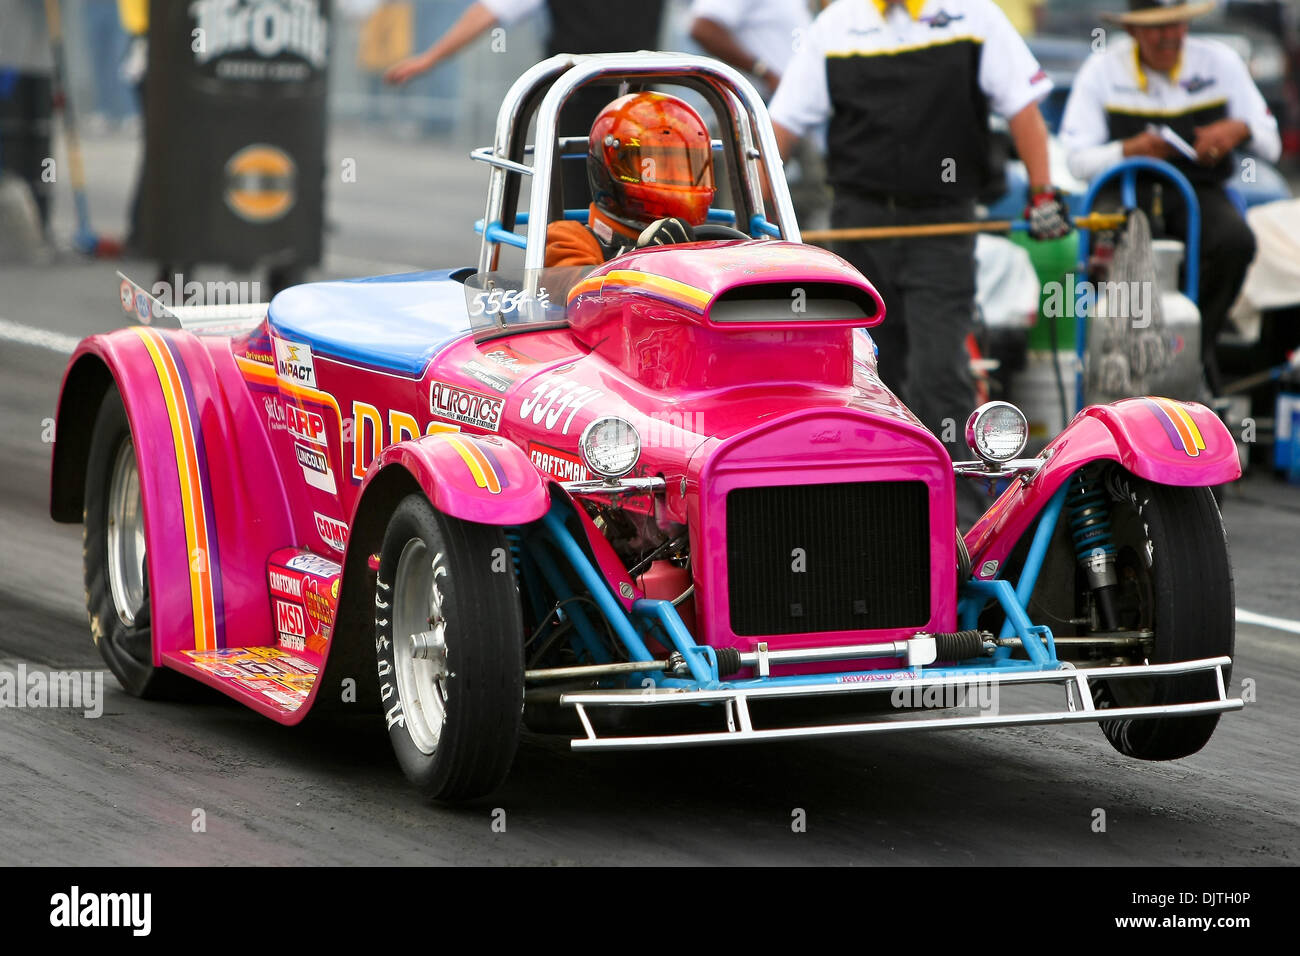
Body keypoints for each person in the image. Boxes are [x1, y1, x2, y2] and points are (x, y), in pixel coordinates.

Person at [767, 0, 1070, 484]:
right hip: (858, 226)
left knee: (939, 374)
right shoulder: (836, 24)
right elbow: (779, 129)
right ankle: (872, 490)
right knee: (864, 373)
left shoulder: (975, 16)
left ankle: (956, 506)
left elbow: (1023, 107)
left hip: (941, 225)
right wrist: (753, 209)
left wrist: (1043, 193)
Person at [1059, 0, 1281, 392]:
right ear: (1132, 31)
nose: (1169, 37)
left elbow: (1271, 143)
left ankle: (1191, 355)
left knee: (1235, 243)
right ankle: (1124, 367)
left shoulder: (1220, 63)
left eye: (1176, 25)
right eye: (1156, 28)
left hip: (1199, 189)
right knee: (1120, 252)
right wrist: (1131, 150)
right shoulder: (1101, 70)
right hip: (1127, 189)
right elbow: (1077, 160)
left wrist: (1238, 130)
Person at [384, 0, 666, 207]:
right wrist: (430, 59)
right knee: (583, 205)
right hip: (585, 100)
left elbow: (489, 11)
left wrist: (429, 59)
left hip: (627, 103)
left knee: (643, 204)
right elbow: (490, 10)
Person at [687, 0, 831, 225]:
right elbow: (703, 27)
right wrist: (763, 72)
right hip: (752, 116)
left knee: (809, 203)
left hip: (795, 119)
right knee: (746, 212)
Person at [545, 91, 716, 267]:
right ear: (604, 169)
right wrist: (647, 260)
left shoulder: (715, 247)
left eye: (682, 168)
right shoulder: (567, 239)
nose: (673, 178)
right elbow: (577, 283)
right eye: (656, 165)